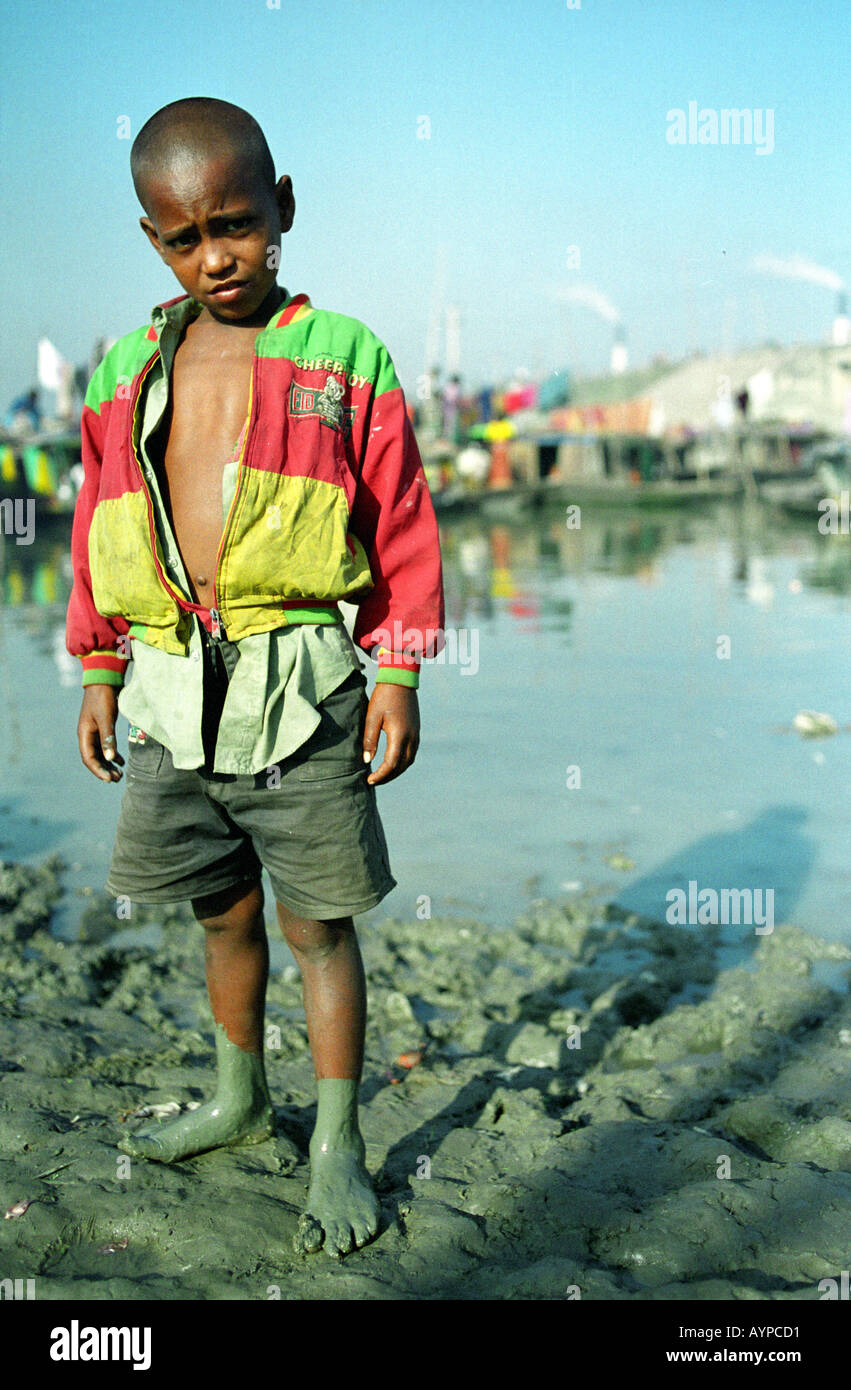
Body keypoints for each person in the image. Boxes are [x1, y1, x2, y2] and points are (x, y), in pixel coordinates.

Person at [65, 97, 445, 1260]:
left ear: (283, 209)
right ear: (152, 240)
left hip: (300, 686)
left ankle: (334, 1137)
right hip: (173, 692)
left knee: (317, 924)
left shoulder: (342, 357)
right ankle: (238, 1095)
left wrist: (397, 669)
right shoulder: (126, 369)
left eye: (236, 224)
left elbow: (402, 526)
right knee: (217, 912)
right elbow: (96, 521)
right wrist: (97, 666)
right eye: (185, 238)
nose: (215, 256)